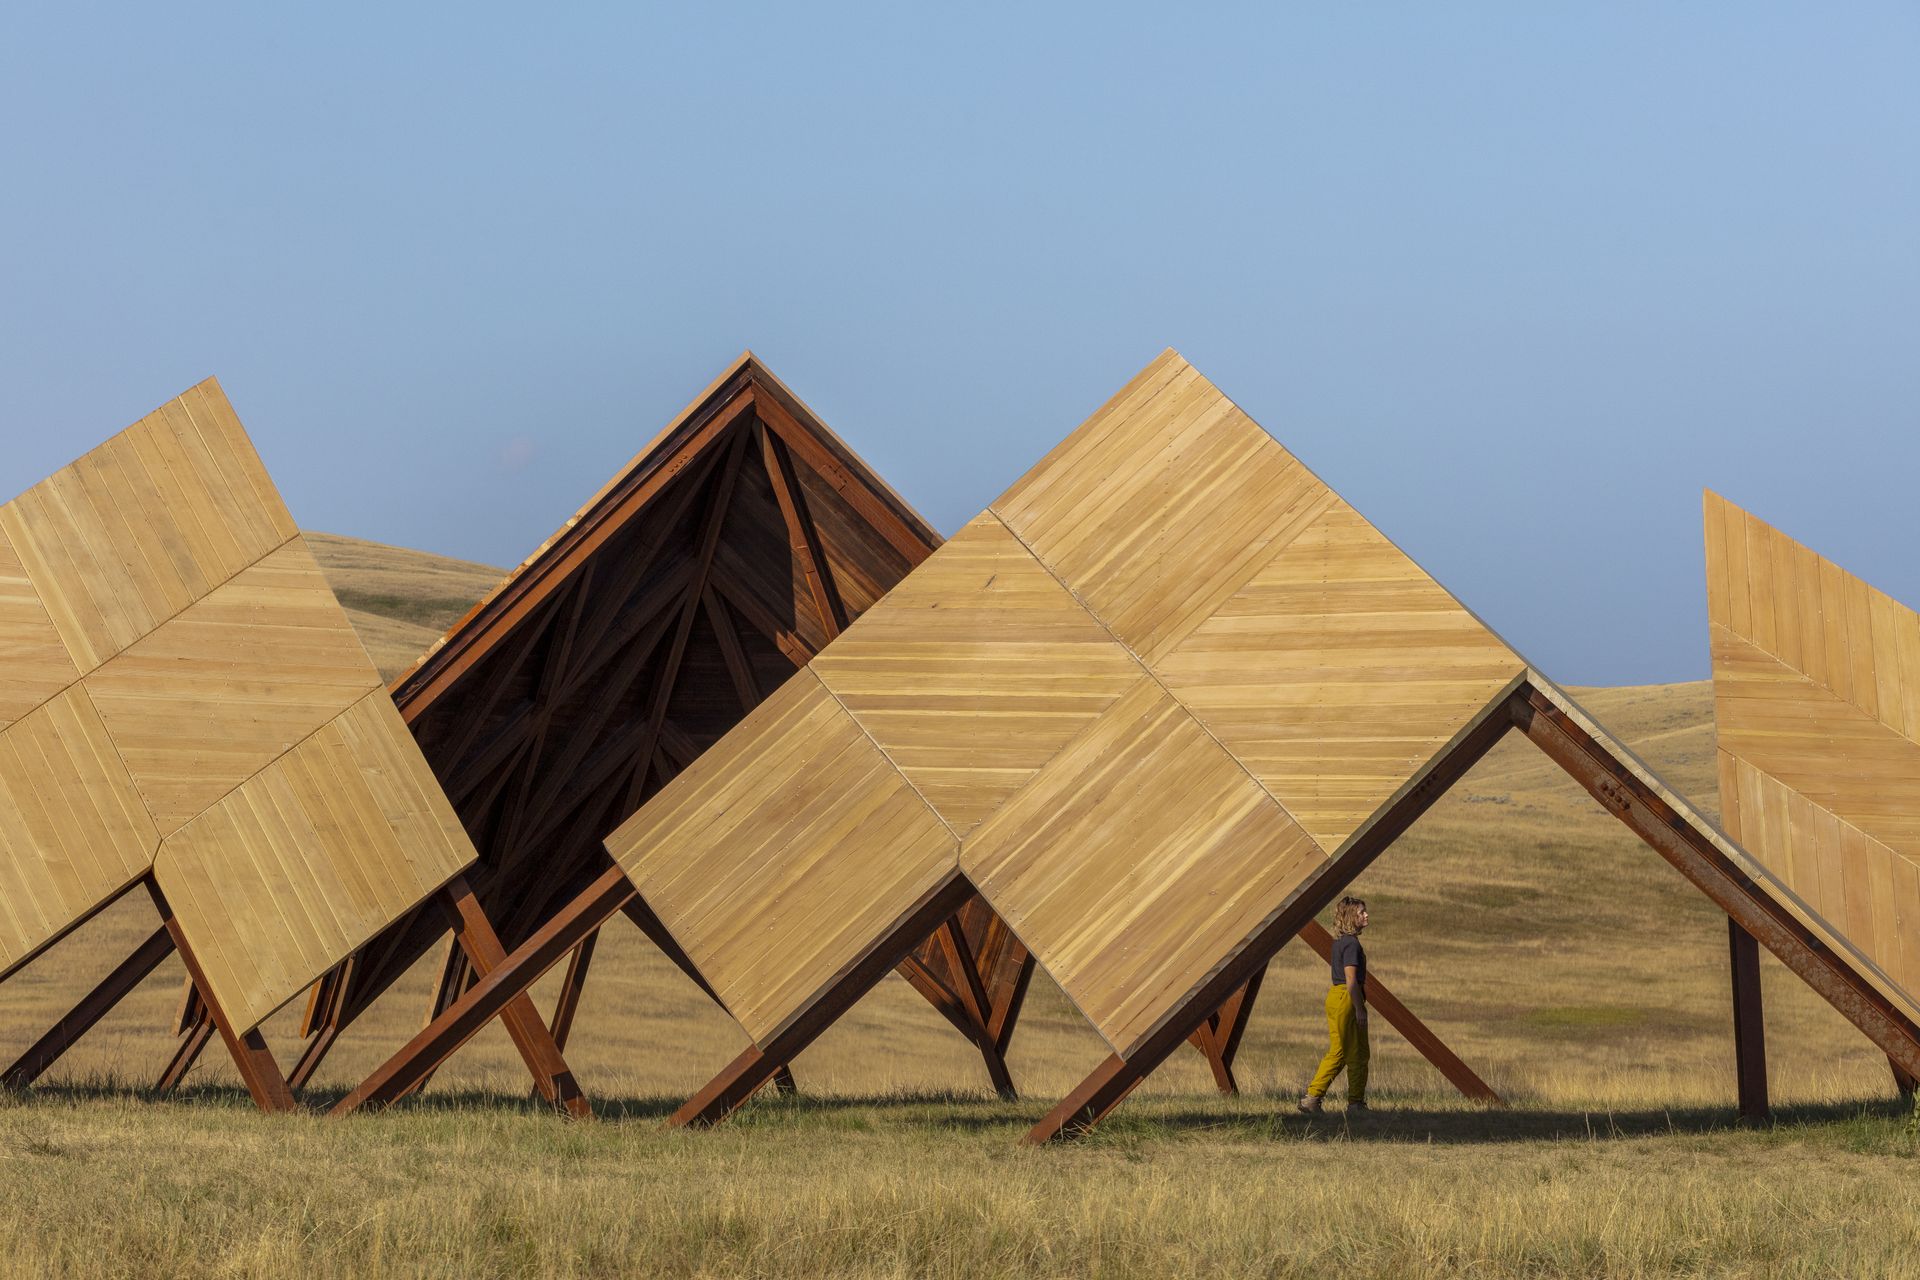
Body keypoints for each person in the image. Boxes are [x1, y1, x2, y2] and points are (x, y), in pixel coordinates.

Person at [1299, 896, 1370, 1113]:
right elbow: (1351, 980)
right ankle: (1356, 1104)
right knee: (1357, 1053)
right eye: (1361, 912)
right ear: (1350, 917)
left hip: (1335, 997)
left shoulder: (1339, 942)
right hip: (1347, 999)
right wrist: (1359, 1008)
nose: (1366, 915)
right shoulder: (1351, 944)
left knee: (1338, 1051)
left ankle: (1311, 1099)